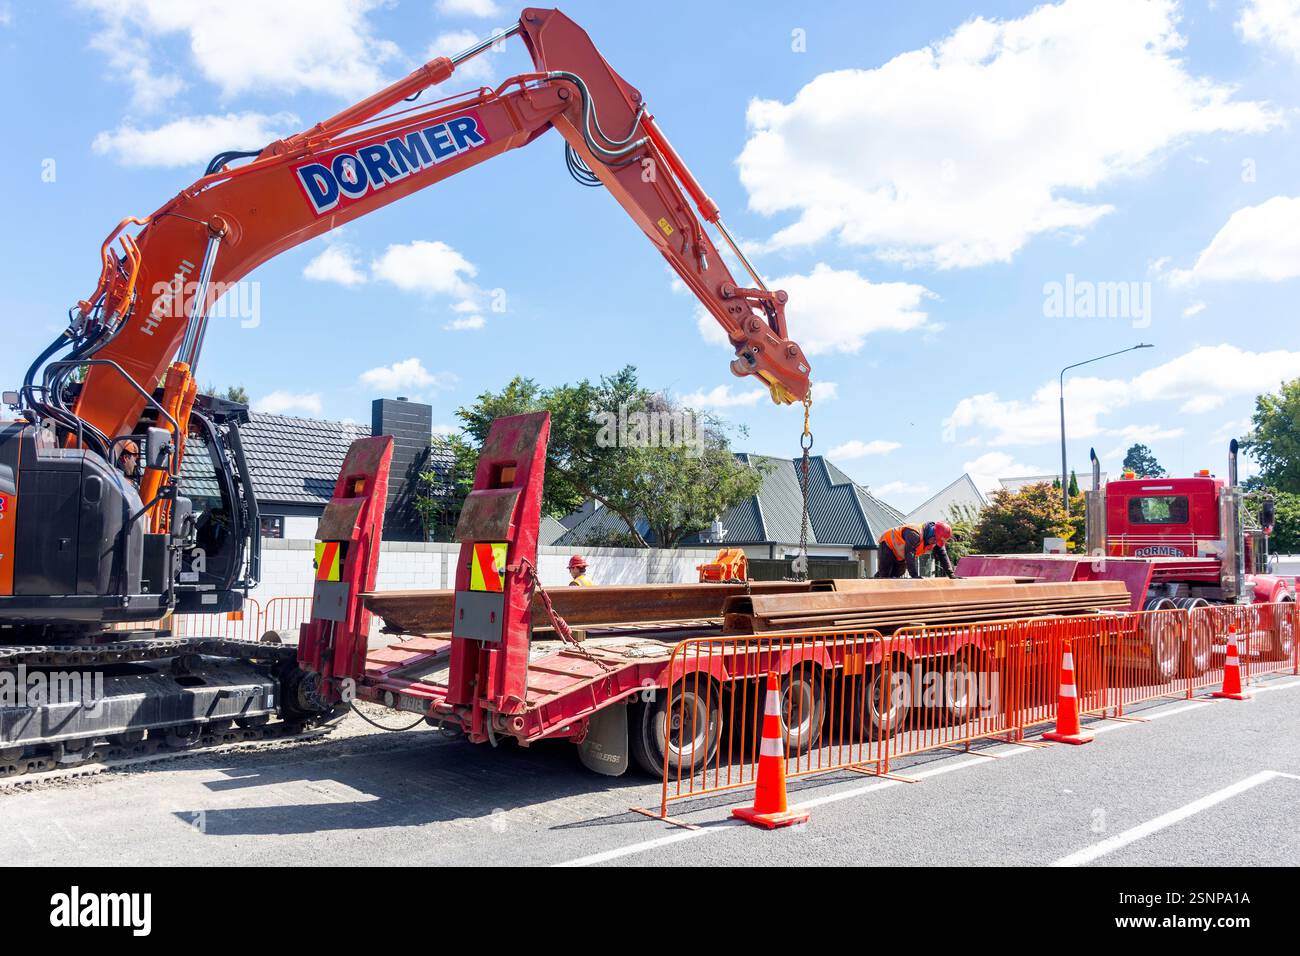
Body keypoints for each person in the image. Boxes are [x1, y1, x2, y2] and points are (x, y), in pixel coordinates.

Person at [875, 521, 955, 579]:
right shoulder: (914, 533)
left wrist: (951, 575)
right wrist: (914, 575)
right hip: (888, 543)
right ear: (932, 534)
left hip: (900, 552)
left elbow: (943, 555)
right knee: (885, 574)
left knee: (898, 573)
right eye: (935, 540)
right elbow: (909, 554)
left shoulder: (936, 539)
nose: (935, 543)